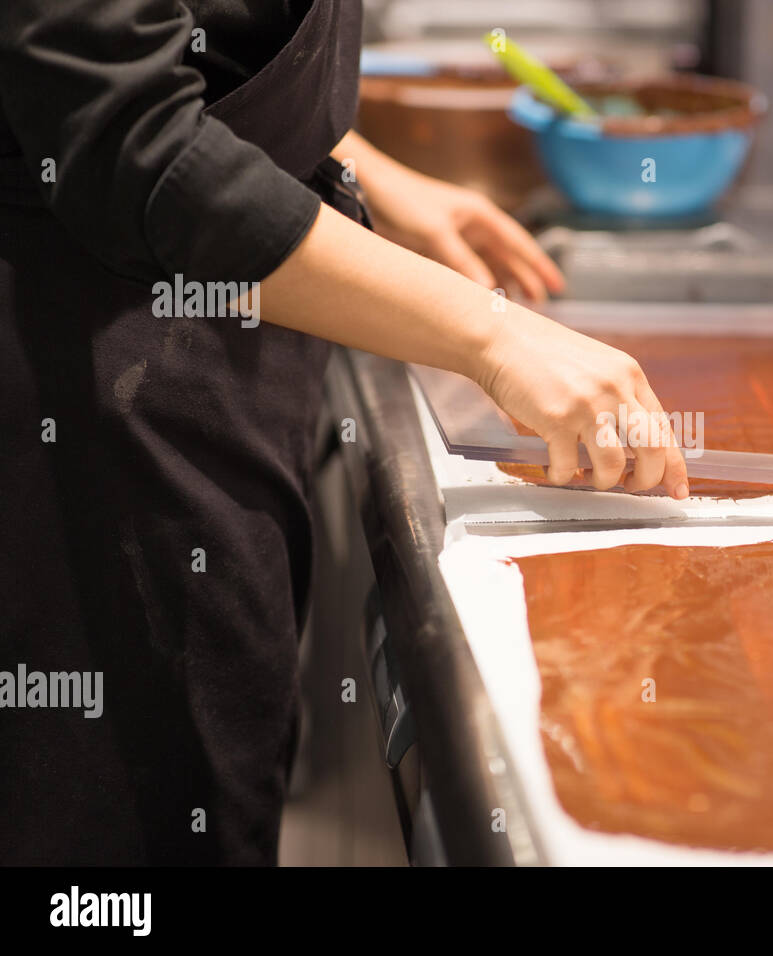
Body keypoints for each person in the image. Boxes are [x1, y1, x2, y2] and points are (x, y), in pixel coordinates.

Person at [0, 0, 688, 865]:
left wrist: (373, 181)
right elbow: (128, 140)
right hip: (91, 399)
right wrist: (491, 336)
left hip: (201, 369)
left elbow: (199, 69)